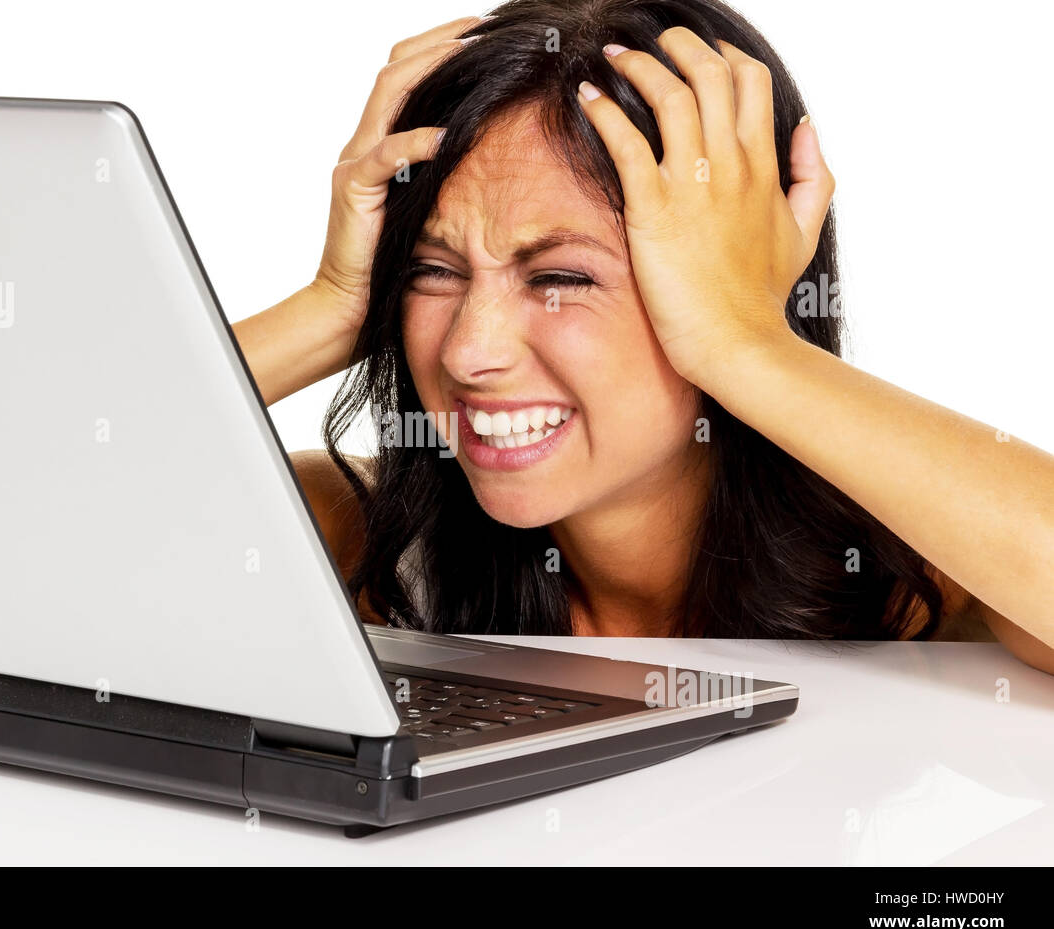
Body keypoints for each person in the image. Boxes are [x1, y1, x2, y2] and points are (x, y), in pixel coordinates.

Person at [233, 0, 1054, 673]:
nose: (466, 352)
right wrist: (336, 304)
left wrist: (747, 343)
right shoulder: (369, 541)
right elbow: (102, 497)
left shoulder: (918, 569)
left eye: (561, 278)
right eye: (431, 272)